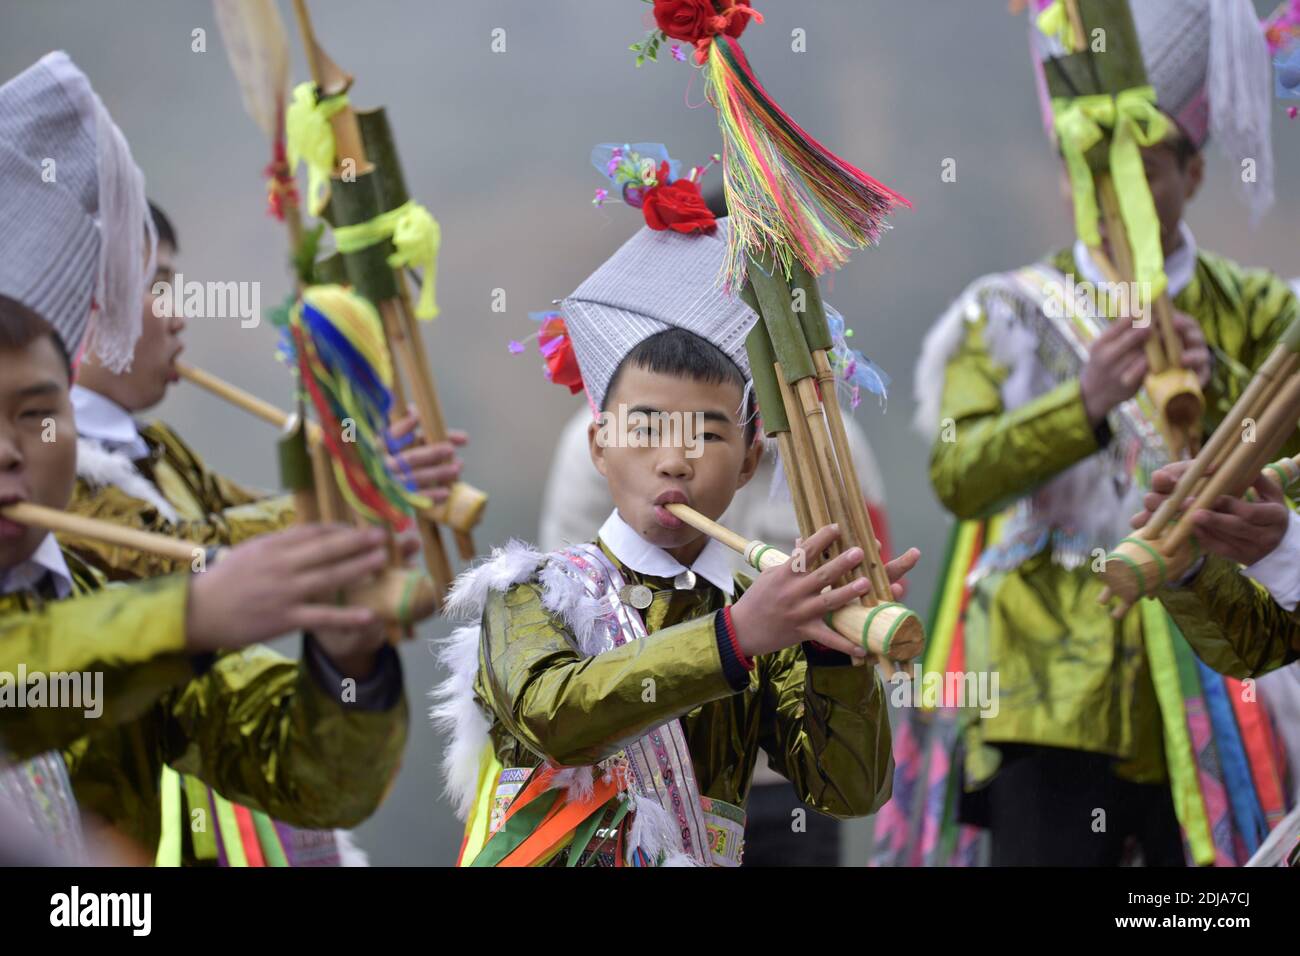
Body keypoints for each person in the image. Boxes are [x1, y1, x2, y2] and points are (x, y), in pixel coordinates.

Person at [912, 0, 1298, 865]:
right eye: (1085, 171)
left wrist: (1221, 386)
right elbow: (957, 474)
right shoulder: (1002, 311)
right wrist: (1082, 403)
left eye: (1143, 171)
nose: (1111, 198)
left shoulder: (1265, 309)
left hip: (1224, 681)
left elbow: (1292, 480)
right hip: (1046, 690)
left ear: (1192, 176)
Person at [0, 51, 406, 865]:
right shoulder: (136, 613)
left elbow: (315, 782)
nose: (9, 455)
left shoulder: (97, 595)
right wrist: (198, 607)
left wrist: (350, 654)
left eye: (36, 415)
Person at [432, 193, 919, 866]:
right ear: (598, 444)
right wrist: (735, 637)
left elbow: (849, 791)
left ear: (750, 460)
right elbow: (555, 717)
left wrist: (838, 657)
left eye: (709, 434)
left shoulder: (758, 607)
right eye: (646, 428)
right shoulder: (529, 593)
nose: (674, 458)